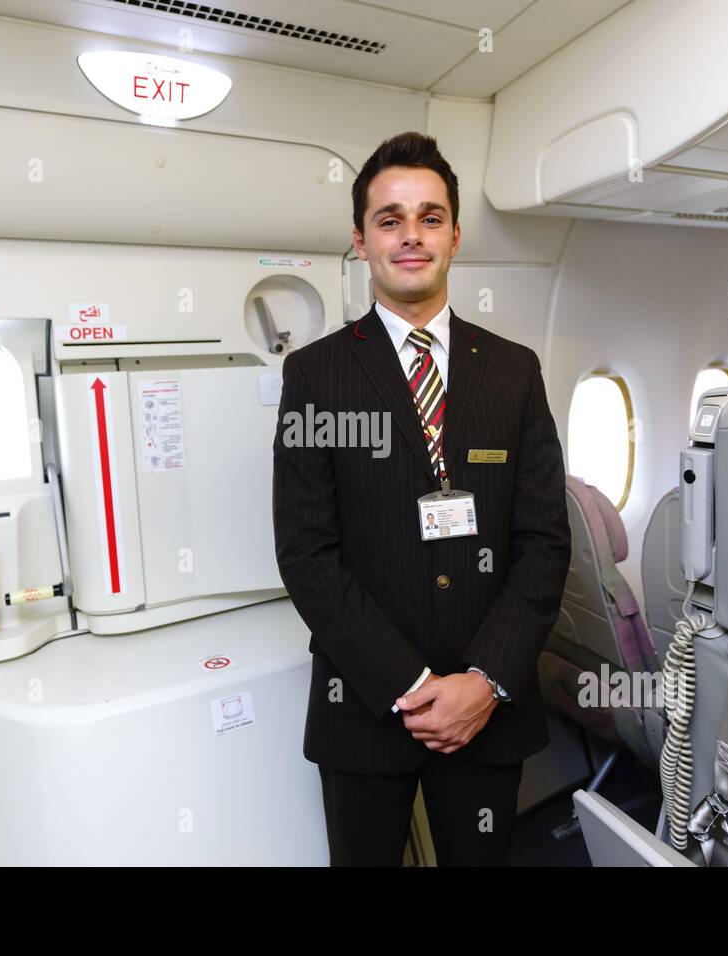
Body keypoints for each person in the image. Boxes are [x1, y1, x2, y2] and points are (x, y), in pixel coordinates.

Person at [272, 131, 571, 866]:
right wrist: (409, 686)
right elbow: (307, 554)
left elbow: (544, 543)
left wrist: (484, 681)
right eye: (390, 219)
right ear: (361, 241)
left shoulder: (512, 371)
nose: (412, 235)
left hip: (487, 709)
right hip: (368, 708)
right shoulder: (317, 376)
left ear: (456, 236)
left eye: (430, 217)